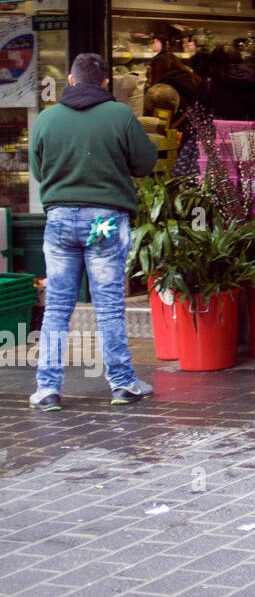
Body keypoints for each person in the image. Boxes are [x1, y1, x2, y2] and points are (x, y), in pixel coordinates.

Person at [28, 52, 159, 411]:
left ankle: (48, 389)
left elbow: (38, 173)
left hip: (58, 220)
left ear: (70, 80)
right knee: (109, 306)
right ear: (104, 83)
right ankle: (121, 383)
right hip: (104, 220)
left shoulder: (47, 119)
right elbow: (145, 162)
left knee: (56, 307)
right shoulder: (119, 115)